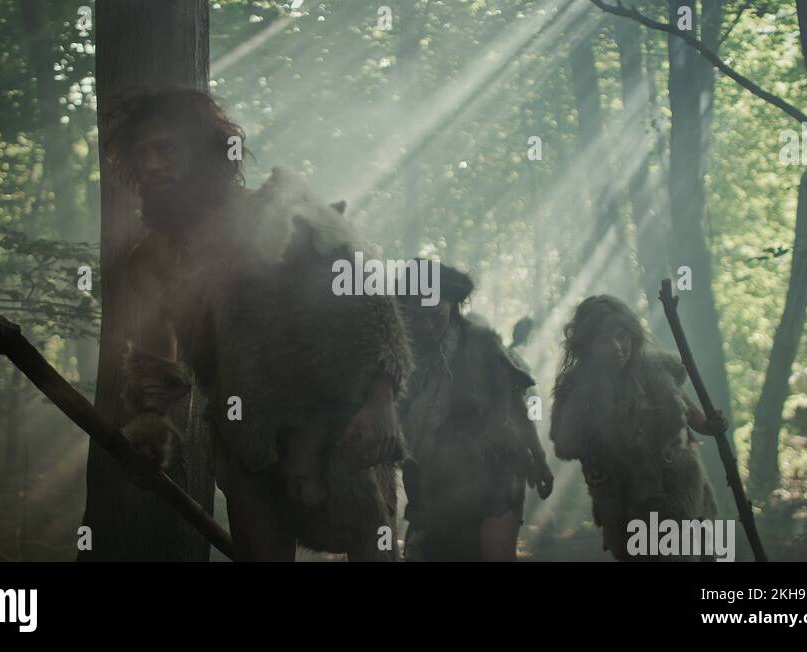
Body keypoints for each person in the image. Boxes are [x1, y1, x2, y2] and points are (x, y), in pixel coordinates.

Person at [107, 88, 413, 560]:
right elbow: (154, 363)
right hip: (246, 436)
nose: (151, 165)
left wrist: (380, 401)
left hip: (335, 418)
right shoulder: (151, 262)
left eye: (166, 149)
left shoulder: (281, 211)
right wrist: (148, 432)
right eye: (142, 154)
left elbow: (367, 302)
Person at [549, 295, 727, 560]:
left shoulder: (655, 370)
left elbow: (692, 416)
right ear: (587, 345)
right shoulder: (578, 389)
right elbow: (566, 443)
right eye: (604, 340)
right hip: (629, 502)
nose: (617, 347)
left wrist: (711, 424)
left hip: (685, 491)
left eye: (622, 336)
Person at [398, 262, 553, 561]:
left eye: (435, 315)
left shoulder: (481, 344)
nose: (427, 326)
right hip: (430, 485)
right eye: (417, 317)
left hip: (492, 475)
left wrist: (539, 457)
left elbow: (515, 401)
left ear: (452, 305)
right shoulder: (399, 353)